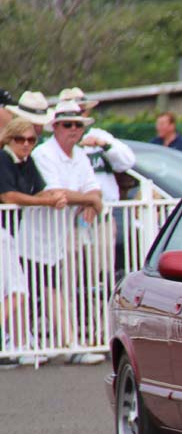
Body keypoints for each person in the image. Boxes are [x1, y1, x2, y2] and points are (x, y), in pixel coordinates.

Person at [26, 102, 107, 364]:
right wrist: (90, 200)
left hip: (55, 239)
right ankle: (22, 346)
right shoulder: (43, 154)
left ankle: (68, 344)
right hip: (30, 237)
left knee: (48, 291)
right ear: (56, 127)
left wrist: (91, 201)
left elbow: (94, 189)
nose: (74, 129)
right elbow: (56, 192)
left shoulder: (80, 156)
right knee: (21, 294)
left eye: (78, 124)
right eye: (68, 124)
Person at [0, 118, 68, 365]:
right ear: (10, 139)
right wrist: (47, 201)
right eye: (21, 139)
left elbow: (37, 190)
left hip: (9, 235)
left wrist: (55, 196)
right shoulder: (3, 160)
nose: (26, 145)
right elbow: (8, 197)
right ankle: (12, 341)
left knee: (17, 290)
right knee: (16, 291)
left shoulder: (26, 162)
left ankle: (19, 342)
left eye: (31, 140)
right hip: (2, 233)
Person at [61, 88, 137, 279]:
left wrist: (103, 144)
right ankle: (71, 308)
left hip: (102, 214)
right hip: (70, 218)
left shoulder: (99, 135)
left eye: (81, 110)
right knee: (70, 271)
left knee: (102, 272)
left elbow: (127, 161)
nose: (78, 116)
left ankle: (99, 306)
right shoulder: (58, 143)